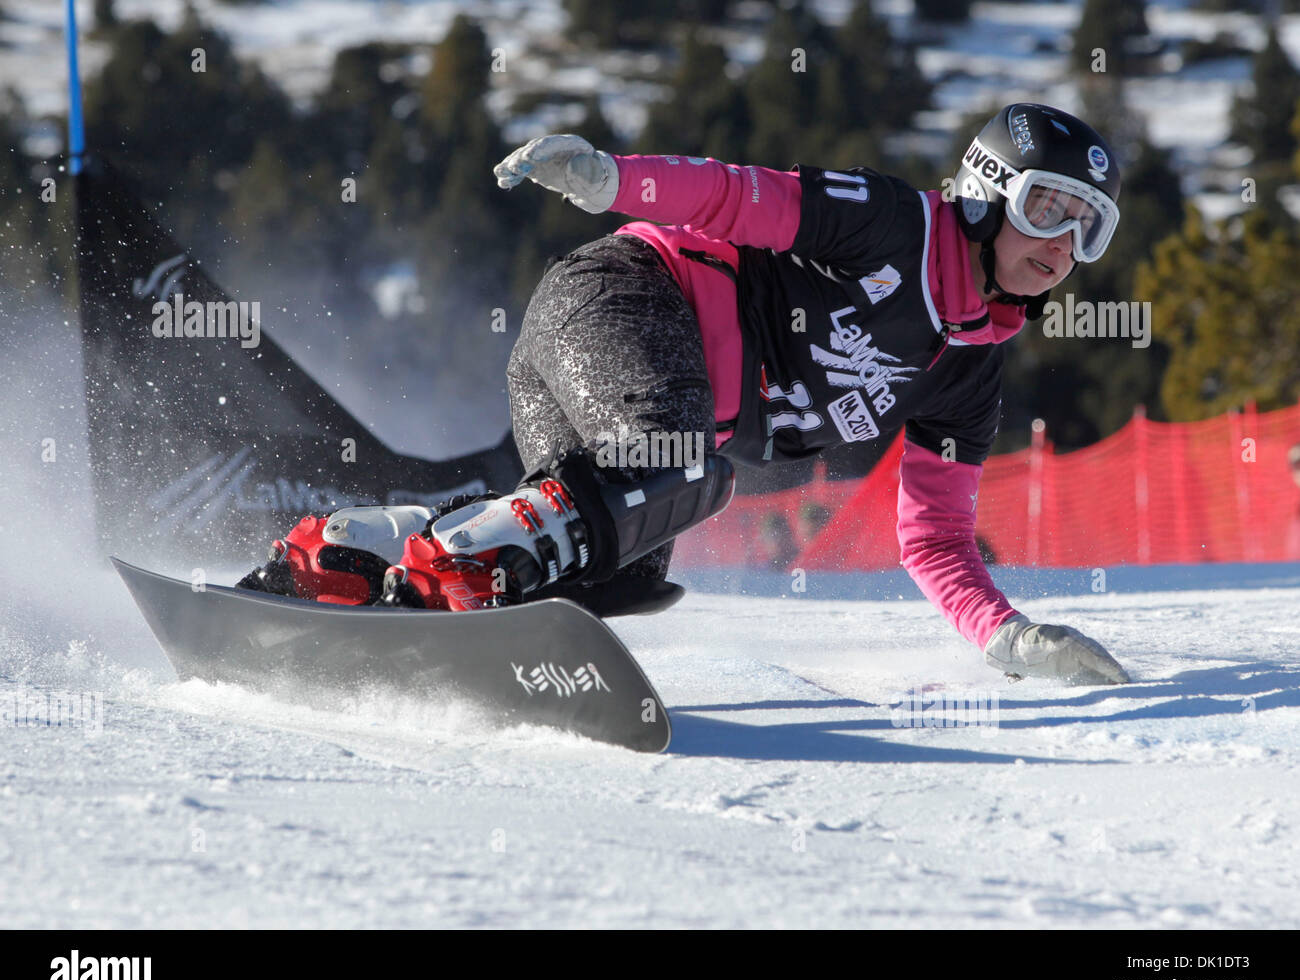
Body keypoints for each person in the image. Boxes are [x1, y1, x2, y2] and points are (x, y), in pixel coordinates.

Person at [242, 103, 1129, 685]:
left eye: (1089, 227)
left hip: (624, 368)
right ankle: (447, 571)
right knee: (680, 471)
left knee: (613, 576)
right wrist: (610, 181)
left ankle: (348, 555)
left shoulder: (969, 374)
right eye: (1050, 207)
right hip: (621, 293)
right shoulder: (896, 225)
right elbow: (741, 199)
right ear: (986, 192)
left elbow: (933, 539)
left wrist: (1008, 637)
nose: (1064, 242)